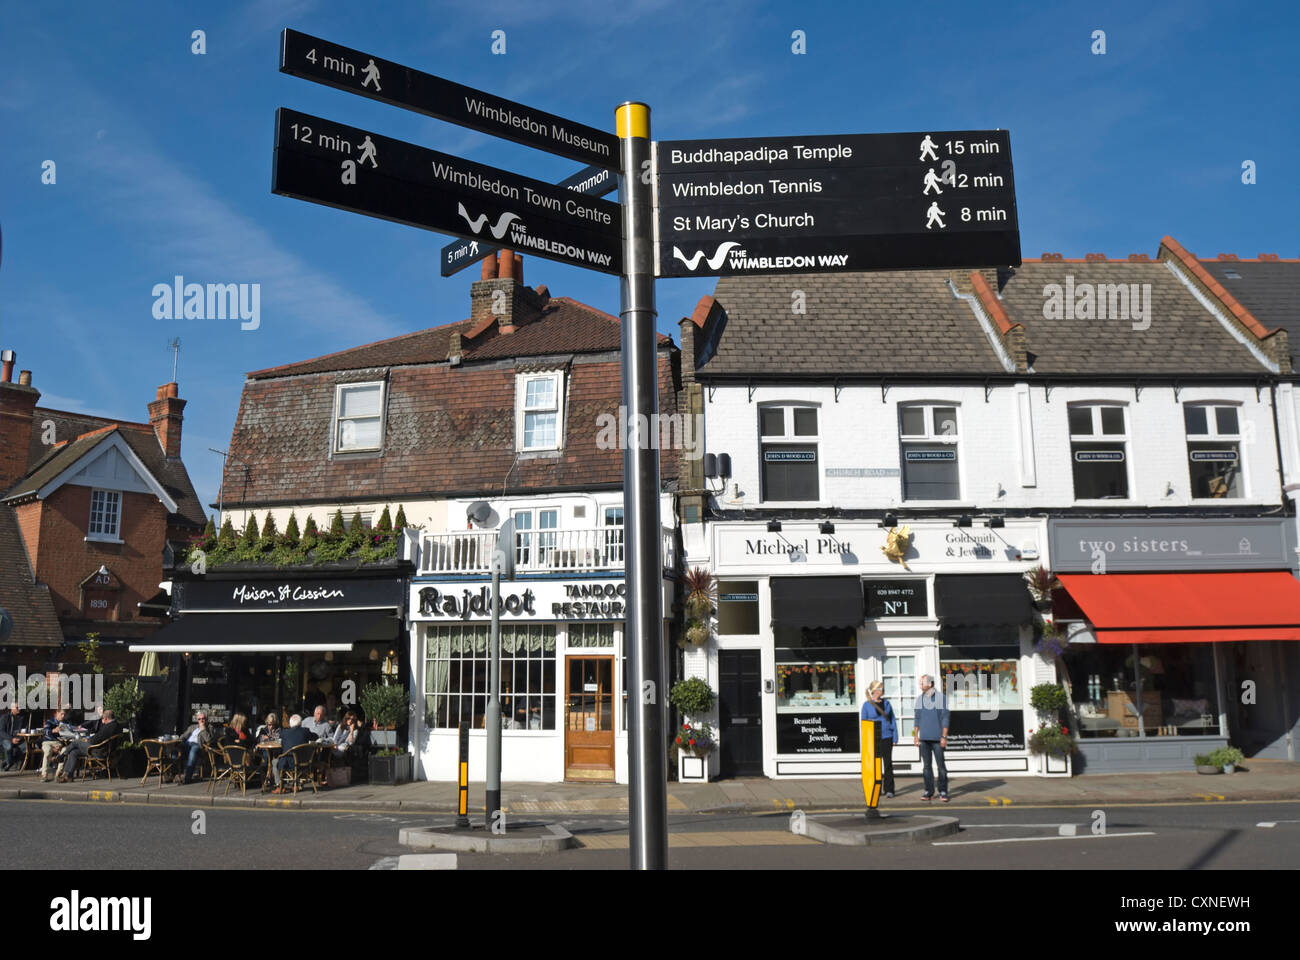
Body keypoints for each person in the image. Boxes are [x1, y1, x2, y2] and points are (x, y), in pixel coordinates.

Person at [913, 674, 951, 802]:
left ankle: (943, 791)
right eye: (920, 683)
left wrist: (944, 736)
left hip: (937, 738)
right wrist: (916, 736)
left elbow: (945, 717)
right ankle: (929, 791)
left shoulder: (941, 698)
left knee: (941, 766)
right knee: (926, 767)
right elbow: (917, 718)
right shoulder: (919, 699)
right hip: (924, 739)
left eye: (922, 683)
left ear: (930, 684)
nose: (920, 685)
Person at [57, 709, 121, 782]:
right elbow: (100, 737)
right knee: (74, 752)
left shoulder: (109, 727)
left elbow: (95, 740)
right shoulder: (116, 725)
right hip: (105, 750)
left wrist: (88, 740)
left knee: (76, 742)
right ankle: (68, 775)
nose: (102, 721)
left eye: (103, 719)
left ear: (106, 718)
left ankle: (62, 755)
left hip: (100, 751)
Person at [860, 681, 900, 798]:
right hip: (873, 738)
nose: (881, 691)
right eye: (879, 689)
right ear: (874, 690)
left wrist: (895, 737)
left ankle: (889, 789)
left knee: (887, 764)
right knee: (874, 765)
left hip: (887, 736)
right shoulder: (866, 705)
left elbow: (892, 720)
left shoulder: (887, 703)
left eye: (882, 689)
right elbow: (864, 723)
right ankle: (874, 788)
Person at [271, 714, 318, 794]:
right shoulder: (305, 731)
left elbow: (277, 740)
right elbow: (316, 737)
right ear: (300, 723)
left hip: (288, 763)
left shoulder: (284, 733)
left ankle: (280, 786)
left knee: (274, 762)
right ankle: (295, 785)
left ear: (290, 724)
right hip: (305, 762)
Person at [177, 711, 216, 784]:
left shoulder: (210, 728)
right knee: (174, 749)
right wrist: (179, 740)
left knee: (193, 750)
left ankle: (187, 778)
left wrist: (203, 729)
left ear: (206, 719)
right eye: (199, 719)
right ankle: (172, 775)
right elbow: (184, 736)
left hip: (198, 745)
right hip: (187, 744)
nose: (201, 720)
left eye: (203, 718)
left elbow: (209, 740)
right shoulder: (192, 727)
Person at [40, 708, 71, 782]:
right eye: (61, 714)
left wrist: (61, 744)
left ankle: (58, 774)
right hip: (48, 742)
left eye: (64, 714)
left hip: (59, 744)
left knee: (65, 751)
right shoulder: (50, 722)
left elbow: (68, 735)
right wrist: (53, 730)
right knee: (48, 751)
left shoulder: (65, 723)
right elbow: (46, 731)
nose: (63, 716)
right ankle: (44, 775)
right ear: (57, 713)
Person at [1, 703, 28, 771]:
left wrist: (20, 738)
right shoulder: (5, 717)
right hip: (6, 738)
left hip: (18, 739)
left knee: (26, 747)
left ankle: (13, 761)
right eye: (17, 707)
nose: (20, 709)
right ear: (12, 709)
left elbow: (24, 730)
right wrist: (11, 739)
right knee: (9, 746)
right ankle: (9, 763)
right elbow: (1, 731)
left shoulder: (22, 718)